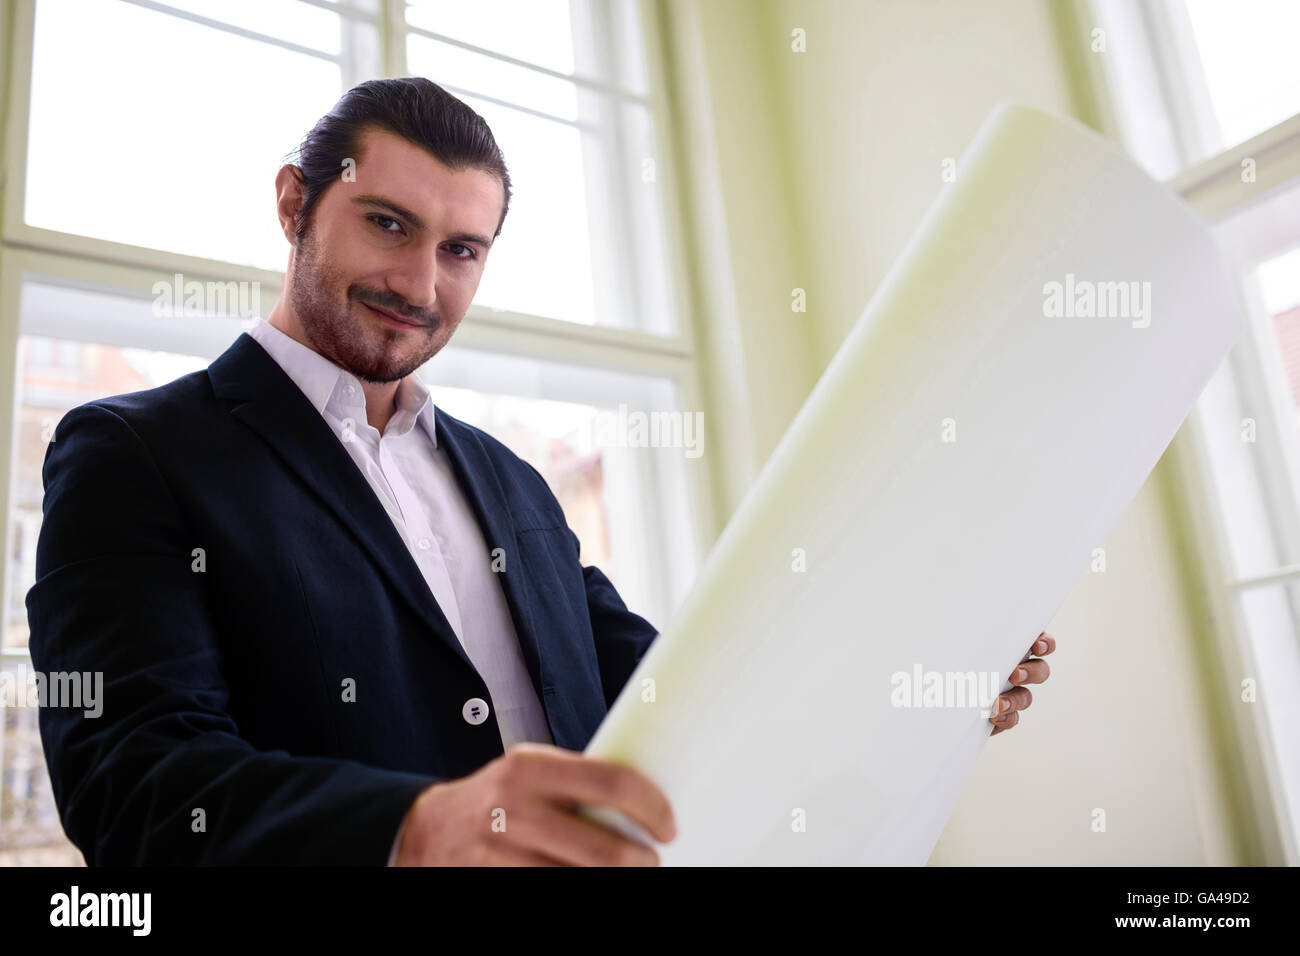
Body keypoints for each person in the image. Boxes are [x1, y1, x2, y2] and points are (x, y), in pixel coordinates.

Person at [26, 77, 1052, 866]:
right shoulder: (137, 452)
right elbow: (132, 779)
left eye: (461, 249)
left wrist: (919, 683)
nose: (419, 284)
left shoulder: (510, 481)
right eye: (388, 223)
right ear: (296, 202)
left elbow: (680, 692)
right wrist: (418, 825)